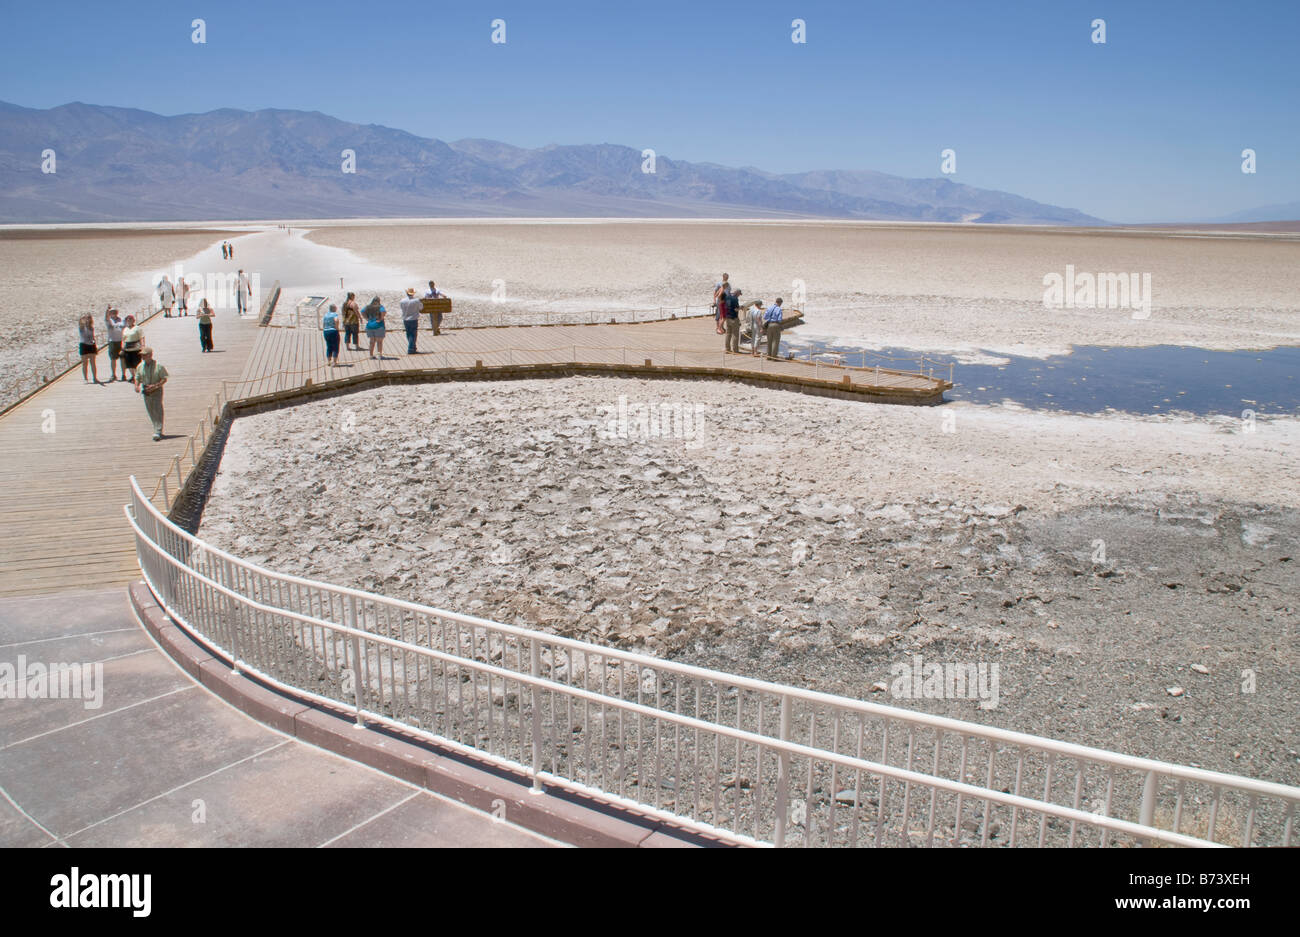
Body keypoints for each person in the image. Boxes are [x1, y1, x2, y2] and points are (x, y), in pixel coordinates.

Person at [134, 347, 168, 441]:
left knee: (157, 408)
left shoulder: (159, 366)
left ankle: (158, 430)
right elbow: (137, 377)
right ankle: (156, 427)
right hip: (146, 390)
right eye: (142, 355)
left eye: (145, 355)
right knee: (150, 410)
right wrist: (136, 386)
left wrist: (156, 385)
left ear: (150, 355)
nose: (143, 357)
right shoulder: (140, 366)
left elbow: (164, 378)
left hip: (156, 390)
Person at [120, 315, 144, 382]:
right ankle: (133, 376)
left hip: (136, 347)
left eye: (130, 319)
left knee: (136, 363)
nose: (129, 320)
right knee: (129, 364)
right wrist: (122, 347)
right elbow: (123, 339)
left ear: (133, 320)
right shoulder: (125, 329)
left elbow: (141, 337)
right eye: (128, 319)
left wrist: (142, 345)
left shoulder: (137, 328)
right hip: (127, 348)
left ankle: (137, 376)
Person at [103, 306, 125, 381]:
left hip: (120, 340)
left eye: (115, 312)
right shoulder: (109, 320)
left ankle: (123, 374)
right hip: (112, 341)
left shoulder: (121, 319)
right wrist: (107, 311)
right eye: (112, 312)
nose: (114, 313)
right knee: (113, 359)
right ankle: (113, 374)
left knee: (122, 358)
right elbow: (106, 318)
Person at [77, 314, 100, 383]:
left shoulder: (91, 327)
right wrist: (82, 319)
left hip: (91, 345)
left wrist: (95, 345)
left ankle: (95, 378)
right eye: (86, 318)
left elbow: (92, 337)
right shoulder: (81, 327)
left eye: (89, 318)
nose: (87, 319)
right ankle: (85, 378)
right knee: (84, 363)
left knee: (93, 363)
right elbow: (80, 322)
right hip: (83, 345)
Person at [400, 287, 423, 354]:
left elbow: (401, 308)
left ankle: (413, 347)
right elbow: (421, 308)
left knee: (408, 333)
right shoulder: (416, 300)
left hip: (405, 319)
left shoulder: (402, 301)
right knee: (413, 334)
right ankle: (411, 348)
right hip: (413, 319)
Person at [723, 288, 742, 353]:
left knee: (728, 334)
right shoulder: (735, 299)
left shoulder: (727, 297)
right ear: (737, 293)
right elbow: (736, 309)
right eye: (739, 294)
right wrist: (741, 308)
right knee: (735, 335)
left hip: (728, 318)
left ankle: (727, 349)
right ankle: (735, 350)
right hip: (734, 318)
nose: (739, 296)